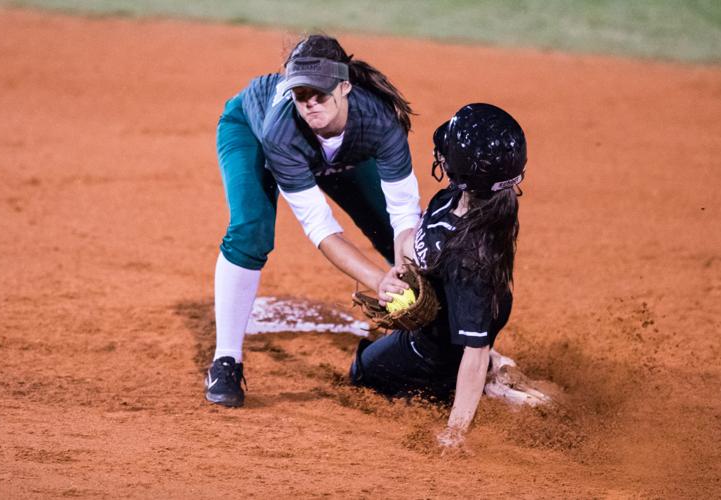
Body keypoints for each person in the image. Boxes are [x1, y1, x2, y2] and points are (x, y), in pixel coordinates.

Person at [207, 34, 422, 407]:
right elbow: (321, 228)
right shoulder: (282, 130)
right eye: (300, 94)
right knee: (251, 230)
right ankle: (226, 360)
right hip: (251, 133)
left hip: (342, 149)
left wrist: (403, 270)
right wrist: (377, 281)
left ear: (345, 87)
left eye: (320, 94)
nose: (309, 104)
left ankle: (444, 337)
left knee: (392, 233)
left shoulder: (380, 121)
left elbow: (405, 214)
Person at [349, 103, 528, 449]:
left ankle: (484, 388)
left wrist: (455, 433)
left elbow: (473, 351)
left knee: (363, 373)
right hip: (459, 310)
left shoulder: (470, 259)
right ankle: (491, 372)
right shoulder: (471, 199)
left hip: (437, 346)